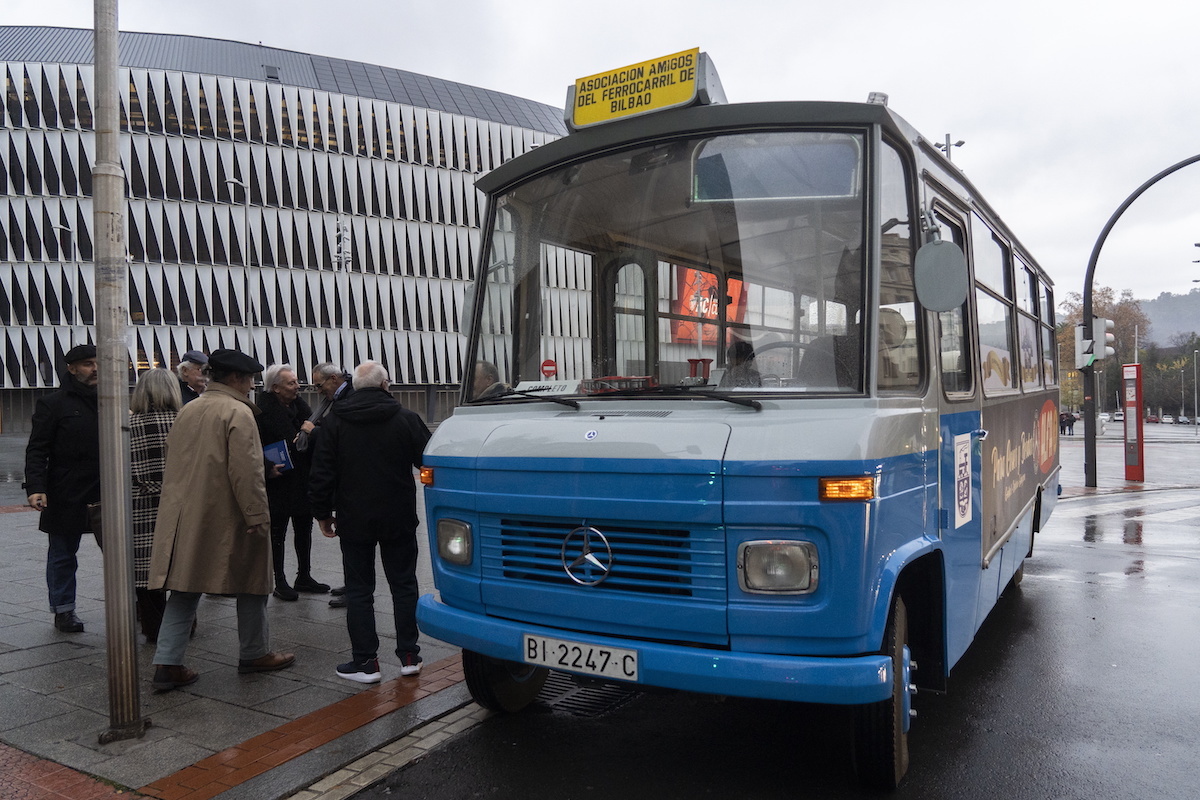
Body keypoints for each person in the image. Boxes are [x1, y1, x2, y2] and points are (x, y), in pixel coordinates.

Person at [147, 348, 295, 692]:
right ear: (236, 378)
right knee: (254, 581)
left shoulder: (189, 408)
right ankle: (255, 652)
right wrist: (257, 515)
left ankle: (167, 663)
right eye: (250, 379)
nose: (252, 385)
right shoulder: (237, 412)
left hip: (186, 512)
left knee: (184, 588)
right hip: (228, 514)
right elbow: (246, 471)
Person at [309, 360, 431, 683]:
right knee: (404, 585)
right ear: (384, 385)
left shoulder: (335, 421)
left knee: (360, 589)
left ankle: (366, 662)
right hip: (398, 517)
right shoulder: (406, 418)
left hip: (354, 518)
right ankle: (409, 656)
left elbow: (322, 472)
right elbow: (428, 460)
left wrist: (323, 514)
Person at [23, 343, 101, 633]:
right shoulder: (53, 404)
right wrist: (36, 486)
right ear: (72, 368)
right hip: (66, 490)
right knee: (63, 553)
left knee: (122, 553)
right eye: (88, 364)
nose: (95, 369)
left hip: (106, 488)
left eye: (98, 363)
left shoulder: (112, 400)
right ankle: (64, 609)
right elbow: (37, 448)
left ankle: (136, 603)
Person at [257, 364, 329, 600]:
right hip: (278, 479)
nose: (298, 386)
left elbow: (316, 429)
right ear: (276, 388)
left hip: (302, 477)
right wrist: (267, 466)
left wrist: (310, 433)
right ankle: (279, 580)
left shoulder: (300, 406)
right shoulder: (262, 411)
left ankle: (304, 576)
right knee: (278, 532)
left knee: (304, 527)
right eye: (292, 383)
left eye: (296, 381)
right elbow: (254, 445)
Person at [129, 368, 183, 642]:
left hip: (140, 505)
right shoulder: (184, 421)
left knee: (145, 572)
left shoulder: (127, 424)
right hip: (179, 504)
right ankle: (183, 625)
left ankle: (153, 627)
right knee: (180, 568)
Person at [307, 362, 356, 608]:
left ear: (334, 379)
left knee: (354, 542)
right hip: (348, 484)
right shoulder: (338, 398)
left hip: (350, 484)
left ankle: (355, 589)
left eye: (320, 385)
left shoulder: (348, 399)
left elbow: (339, 435)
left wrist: (314, 431)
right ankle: (352, 584)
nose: (318, 391)